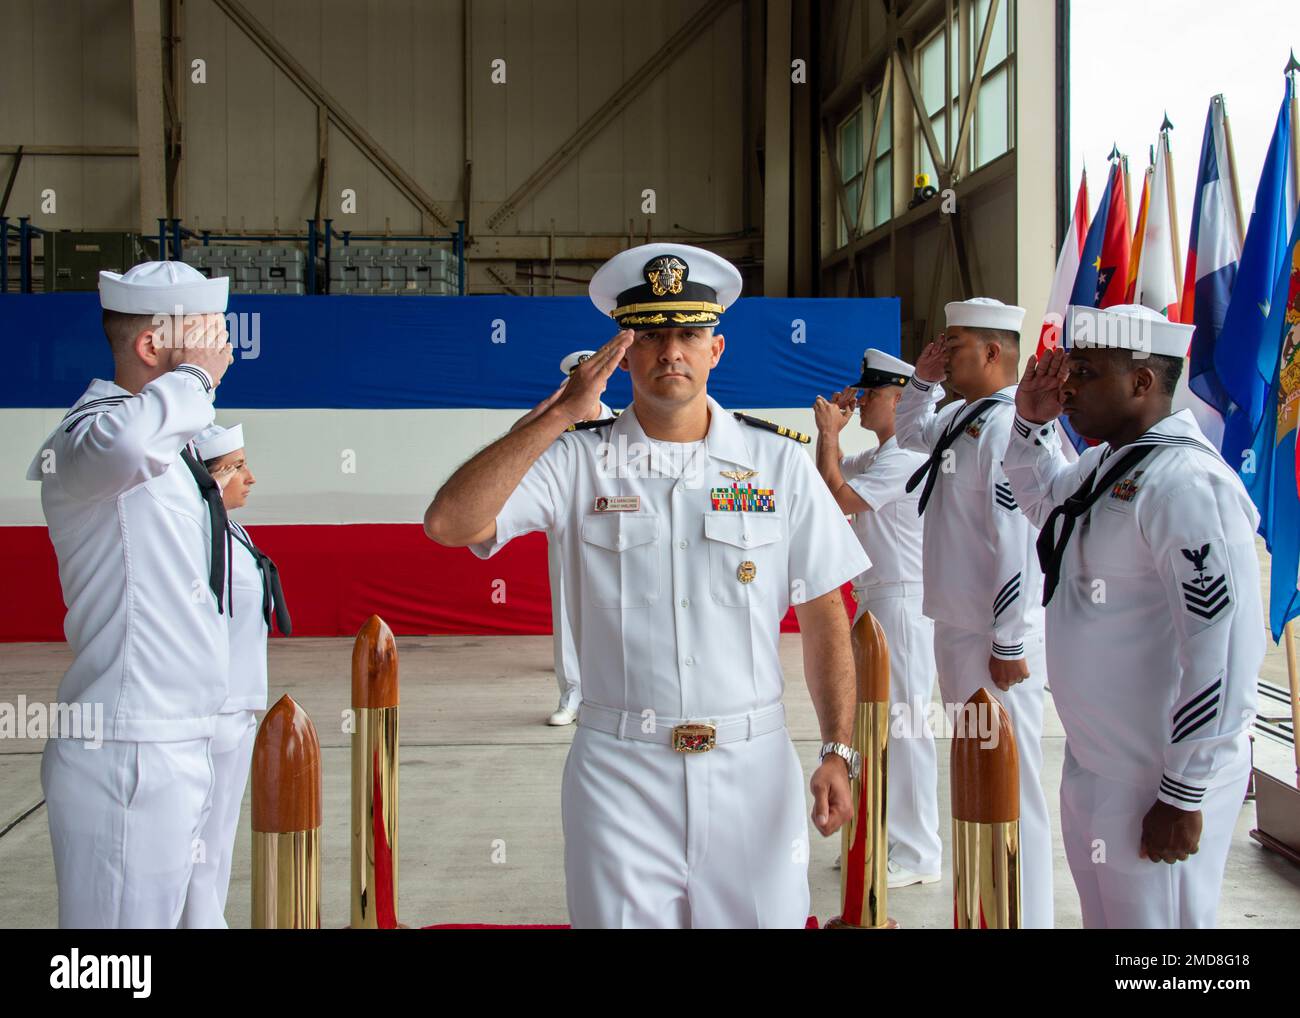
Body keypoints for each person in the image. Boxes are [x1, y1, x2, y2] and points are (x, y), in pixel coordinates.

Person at [424, 242, 868, 928]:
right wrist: (557, 417)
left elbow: (824, 616)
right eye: (652, 336)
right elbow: (450, 522)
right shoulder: (577, 462)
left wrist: (838, 747)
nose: (671, 353)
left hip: (753, 773)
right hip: (620, 773)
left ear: (716, 350)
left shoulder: (778, 463)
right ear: (623, 353)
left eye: (688, 334)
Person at [1005, 303, 1263, 928]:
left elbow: (1222, 649)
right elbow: (1040, 502)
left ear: (1142, 383)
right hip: (1098, 760)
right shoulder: (1110, 463)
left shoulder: (1187, 484)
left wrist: (1184, 789)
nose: (1067, 386)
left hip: (1156, 773)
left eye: (1085, 373)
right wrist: (1031, 425)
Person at [28, 260, 234, 928]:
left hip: (180, 742)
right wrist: (196, 379)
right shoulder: (89, 435)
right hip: (127, 754)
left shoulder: (169, 449)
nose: (223, 348)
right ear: (153, 347)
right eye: (205, 334)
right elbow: (125, 448)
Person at [894, 297, 1054, 928]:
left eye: (954, 344)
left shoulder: (1009, 428)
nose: (943, 351)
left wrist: (1011, 641)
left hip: (994, 637)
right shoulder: (964, 415)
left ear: (993, 353)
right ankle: (988, 908)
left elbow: (1019, 540)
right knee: (976, 780)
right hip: (958, 627)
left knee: (1013, 786)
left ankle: (1028, 917)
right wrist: (922, 381)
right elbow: (911, 433)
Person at [813, 348, 940, 887]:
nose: (862, 401)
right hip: (876, 600)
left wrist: (831, 436)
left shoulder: (905, 458)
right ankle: (880, 834)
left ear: (900, 398)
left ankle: (917, 852)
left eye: (871, 394)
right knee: (873, 729)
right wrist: (832, 435)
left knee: (906, 728)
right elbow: (825, 488)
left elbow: (840, 495)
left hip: (904, 603)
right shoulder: (881, 454)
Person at [181, 423, 292, 928]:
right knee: (197, 842)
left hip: (237, 707)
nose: (251, 477)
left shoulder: (229, 528)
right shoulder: (197, 534)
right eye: (237, 466)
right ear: (210, 477)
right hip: (210, 711)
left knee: (218, 838)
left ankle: (207, 920)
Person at [513, 351, 615, 726]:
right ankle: (572, 694)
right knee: (567, 609)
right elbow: (516, 449)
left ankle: (612, 695)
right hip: (566, 527)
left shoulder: (620, 425)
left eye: (596, 377)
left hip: (616, 529)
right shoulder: (554, 424)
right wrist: (549, 412)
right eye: (581, 378)